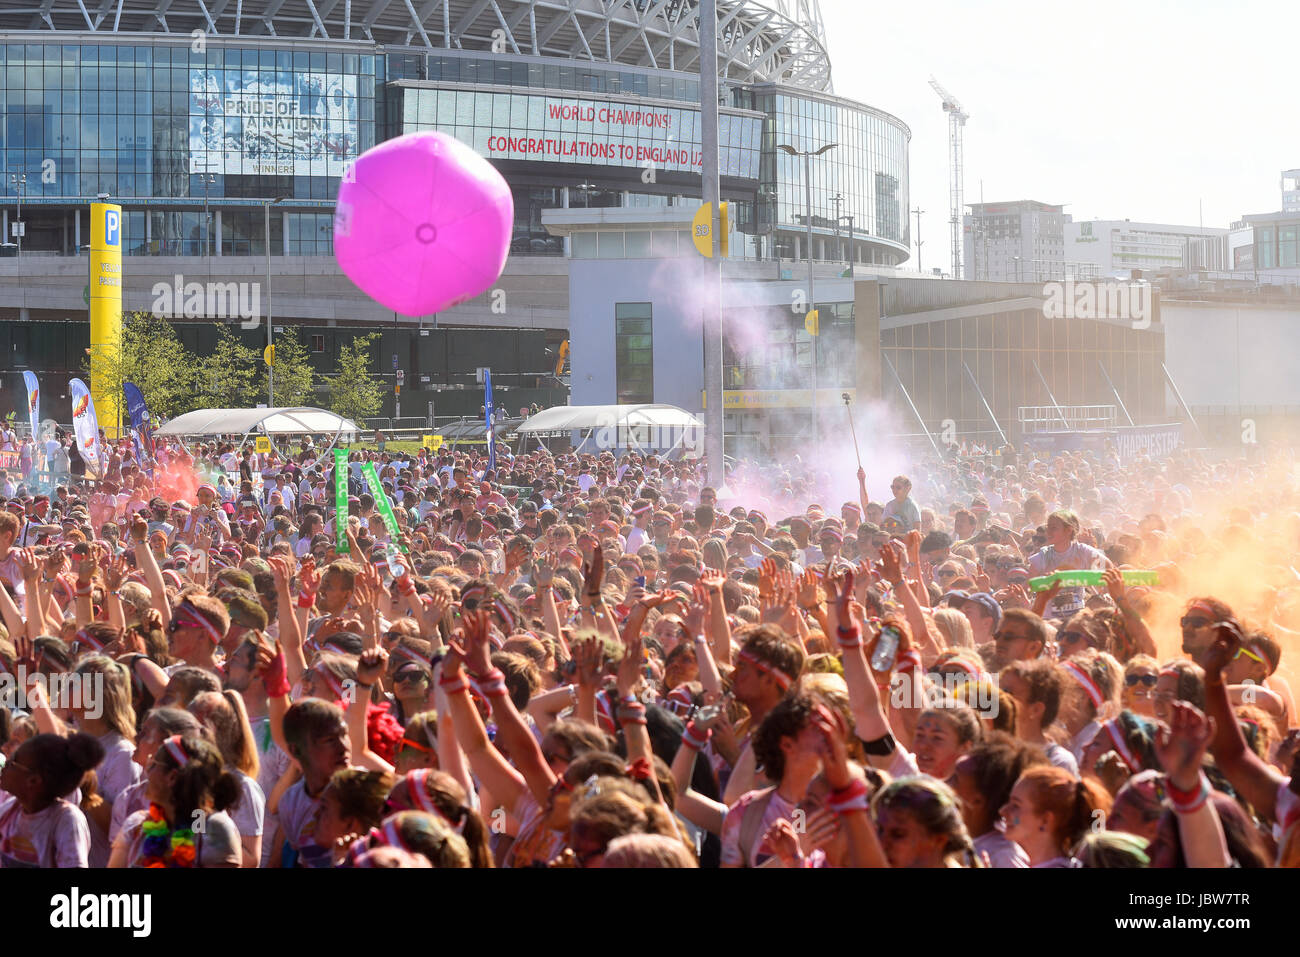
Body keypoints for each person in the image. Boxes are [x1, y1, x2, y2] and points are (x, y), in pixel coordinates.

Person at [109, 734, 242, 868]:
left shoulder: (211, 829)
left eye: (153, 764)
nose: (147, 771)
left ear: (172, 777)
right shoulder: (137, 826)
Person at [0, 733, 102, 868]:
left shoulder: (66, 820)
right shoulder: (11, 809)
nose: (4, 765)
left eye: (12, 763)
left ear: (34, 780)